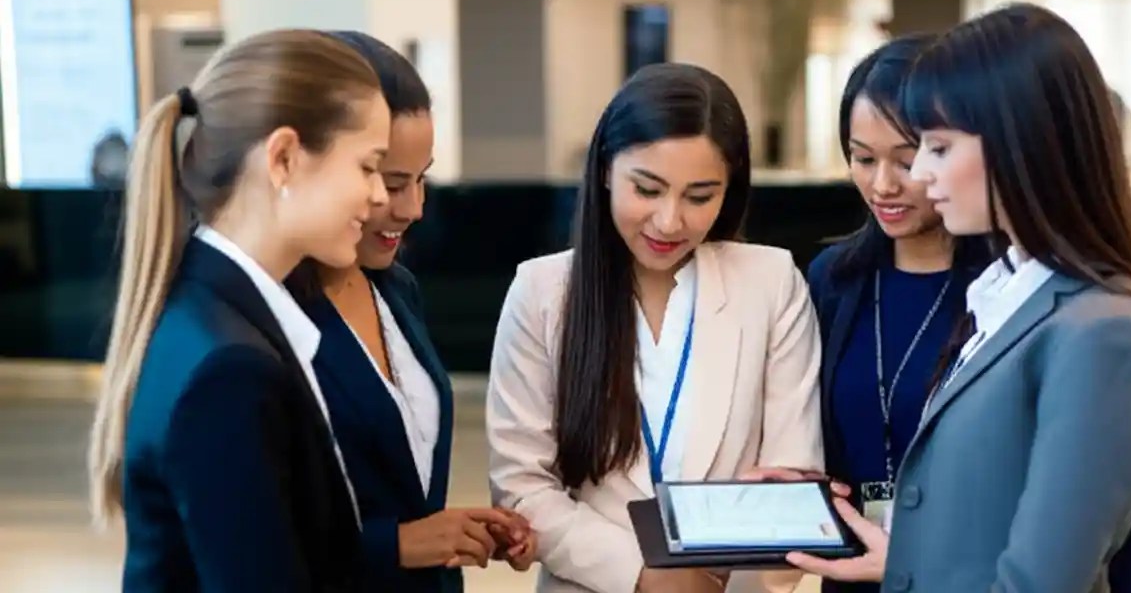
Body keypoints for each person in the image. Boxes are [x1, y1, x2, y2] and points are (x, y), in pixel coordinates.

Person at [794, 34, 1131, 592]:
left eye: (927, 152)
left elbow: (1079, 544)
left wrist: (907, 563)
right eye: (862, 158)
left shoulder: (1080, 321)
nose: (888, 183)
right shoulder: (988, 290)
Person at [486, 62, 823, 593]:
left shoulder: (771, 282)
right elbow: (521, 486)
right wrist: (643, 575)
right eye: (647, 189)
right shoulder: (542, 291)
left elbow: (790, 478)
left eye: (699, 196)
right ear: (604, 171)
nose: (670, 222)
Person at [87, 29, 392, 591]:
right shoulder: (231, 369)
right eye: (368, 166)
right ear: (283, 158)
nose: (380, 197)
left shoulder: (210, 311)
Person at [892, 3, 1131, 592]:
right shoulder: (1006, 294)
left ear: (1022, 142)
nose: (918, 173)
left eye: (939, 147)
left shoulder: (1100, 331)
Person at [286, 30, 536, 592]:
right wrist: (395, 543)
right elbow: (248, 535)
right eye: (393, 182)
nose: (414, 208)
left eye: (421, 180)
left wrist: (459, 531)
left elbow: (401, 477)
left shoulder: (394, 288)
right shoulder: (265, 319)